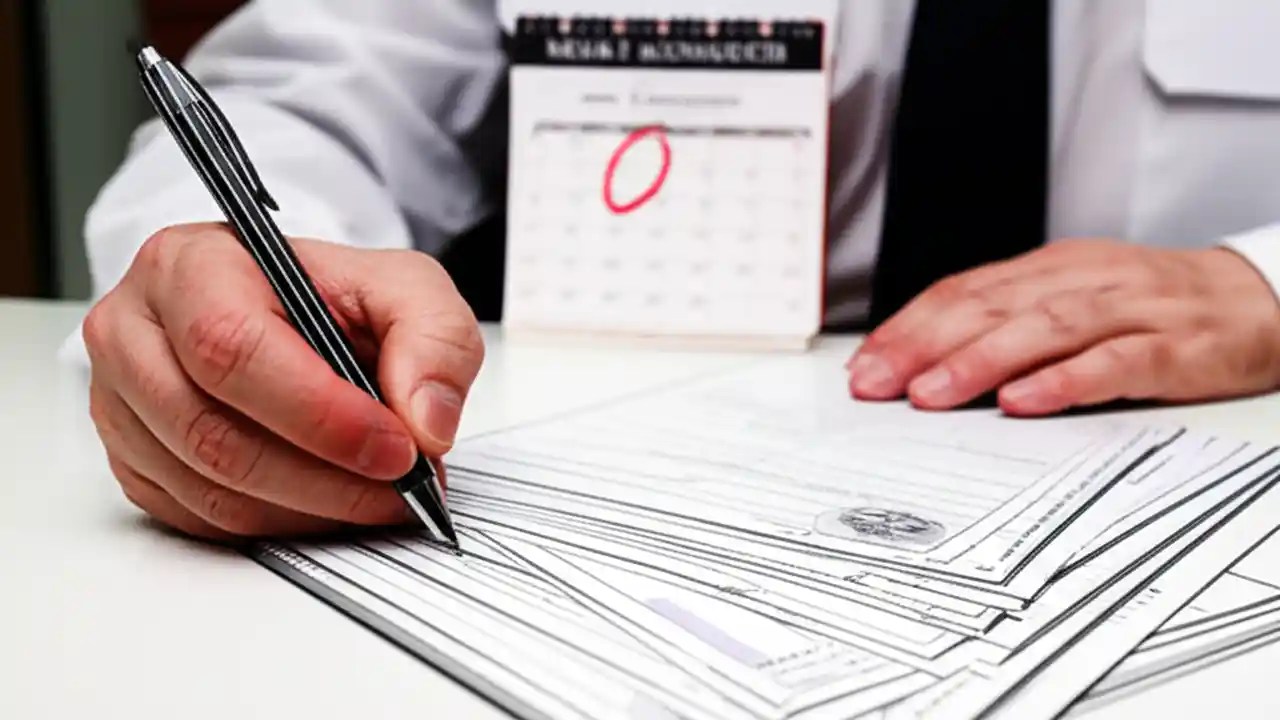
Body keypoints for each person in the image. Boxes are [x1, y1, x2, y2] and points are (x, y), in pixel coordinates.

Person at [81, 0, 1280, 540]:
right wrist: (228, 277)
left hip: (1183, 472)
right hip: (643, 468)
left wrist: (1270, 277)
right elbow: (298, 99)